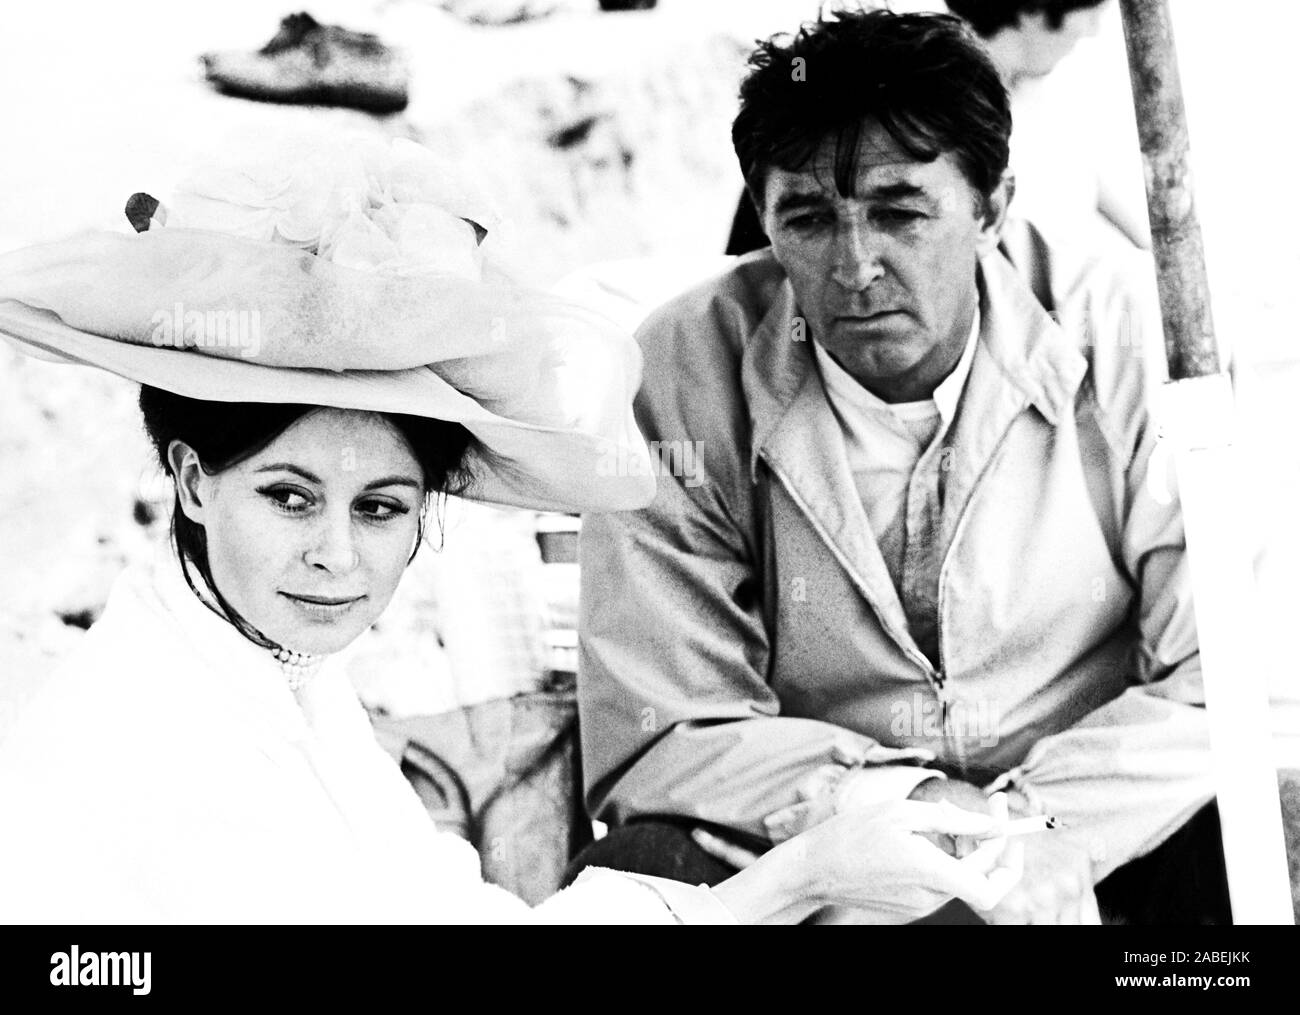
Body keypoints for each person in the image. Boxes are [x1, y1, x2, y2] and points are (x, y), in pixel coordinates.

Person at [0, 132, 1019, 923]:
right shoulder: (160, 744)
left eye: (383, 507)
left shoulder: (270, 667)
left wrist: (812, 869)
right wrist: (801, 874)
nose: (337, 557)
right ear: (189, 478)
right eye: (288, 496)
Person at [574, 9, 1229, 925]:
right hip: (820, 844)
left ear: (992, 208)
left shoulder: (1122, 331)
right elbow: (662, 729)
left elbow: (1221, 676)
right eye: (807, 217)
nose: (854, 267)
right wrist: (908, 809)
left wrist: (1033, 826)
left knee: (1261, 841)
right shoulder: (681, 373)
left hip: (1089, 833)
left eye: (898, 211)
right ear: (764, 219)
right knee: (644, 861)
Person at [725, 0, 1147, 257]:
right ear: (1035, 9)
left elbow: (1098, 192)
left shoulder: (1046, 102)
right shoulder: (908, 109)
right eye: (1092, 10)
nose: (1094, 31)